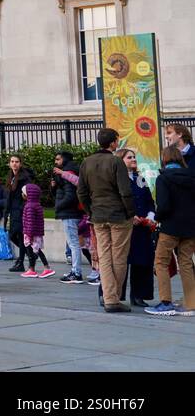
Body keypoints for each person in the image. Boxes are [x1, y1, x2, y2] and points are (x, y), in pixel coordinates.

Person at [78, 128, 136, 312]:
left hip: (98, 216)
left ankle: (109, 297)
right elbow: (125, 191)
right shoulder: (115, 161)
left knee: (104, 257)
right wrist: (130, 212)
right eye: (117, 141)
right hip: (118, 215)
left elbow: (81, 192)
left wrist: (90, 211)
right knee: (118, 257)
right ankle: (113, 298)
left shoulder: (86, 162)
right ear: (113, 143)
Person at [147, 145, 195, 316]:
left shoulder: (163, 178)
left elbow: (164, 205)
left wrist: (157, 217)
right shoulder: (191, 176)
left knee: (161, 262)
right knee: (186, 263)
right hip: (191, 227)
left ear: (165, 159)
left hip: (170, 227)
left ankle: (165, 301)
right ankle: (191, 303)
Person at [117, 148, 156, 308]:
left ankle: (139, 295)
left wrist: (150, 216)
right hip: (125, 227)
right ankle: (116, 294)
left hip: (142, 228)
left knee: (142, 262)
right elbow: (116, 201)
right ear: (121, 160)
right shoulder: (117, 179)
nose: (133, 159)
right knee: (121, 262)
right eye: (129, 157)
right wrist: (129, 216)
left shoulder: (140, 179)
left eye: (134, 157)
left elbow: (149, 201)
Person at [51, 151, 85, 283]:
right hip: (72, 212)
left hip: (70, 213)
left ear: (64, 160)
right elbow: (63, 191)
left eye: (58, 159)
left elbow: (70, 195)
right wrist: (54, 187)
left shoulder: (67, 172)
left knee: (73, 243)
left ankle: (76, 272)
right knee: (75, 243)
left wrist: (59, 206)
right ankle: (76, 271)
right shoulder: (67, 172)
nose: (56, 162)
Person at [19, 181, 54, 277]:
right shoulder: (36, 205)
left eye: (24, 193)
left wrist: (29, 235)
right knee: (33, 251)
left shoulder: (29, 206)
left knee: (35, 250)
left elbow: (30, 222)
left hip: (31, 233)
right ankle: (32, 269)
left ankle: (46, 268)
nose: (22, 194)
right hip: (35, 232)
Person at [5, 155, 34, 272]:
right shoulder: (11, 176)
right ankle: (30, 254)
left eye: (17, 162)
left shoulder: (24, 177)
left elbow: (27, 194)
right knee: (13, 235)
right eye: (12, 161)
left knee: (20, 235)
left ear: (20, 163)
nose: (14, 164)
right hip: (13, 209)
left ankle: (21, 261)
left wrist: (23, 208)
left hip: (20, 209)